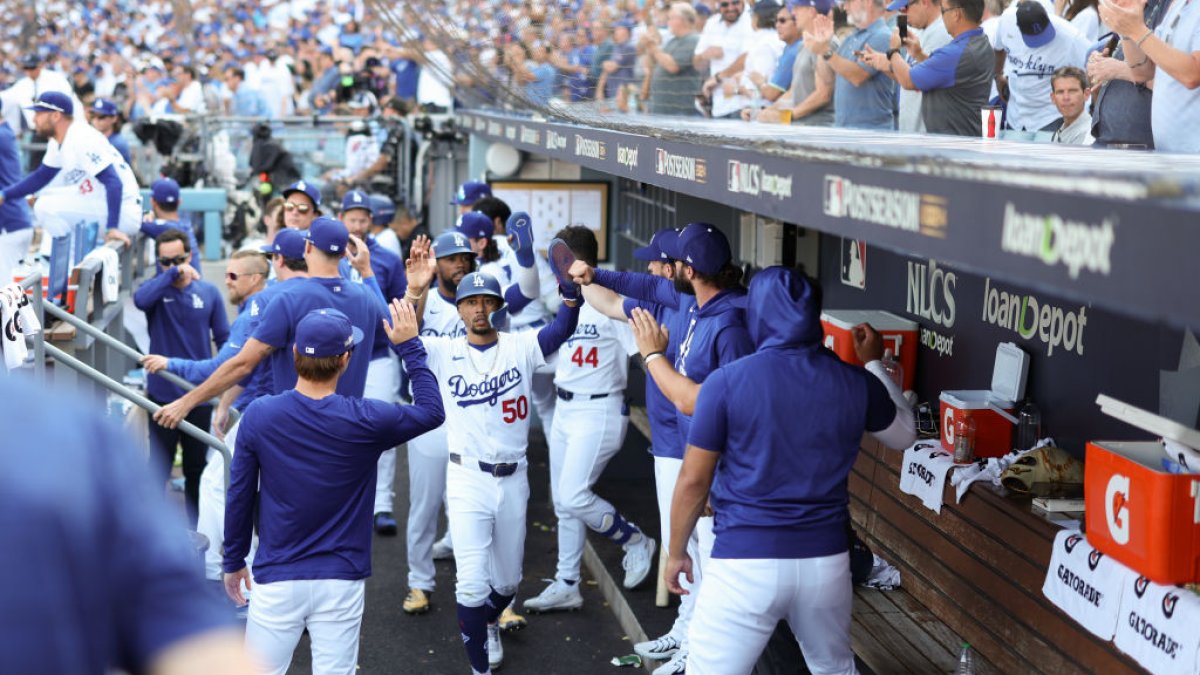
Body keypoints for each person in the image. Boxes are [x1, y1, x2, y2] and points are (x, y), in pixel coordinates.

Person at [664, 267, 916, 675]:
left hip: (745, 561)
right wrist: (873, 365)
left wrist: (676, 552)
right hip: (825, 562)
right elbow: (904, 436)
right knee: (834, 669)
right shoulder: (852, 381)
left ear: (757, 315)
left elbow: (694, 480)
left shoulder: (726, 383)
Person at [568, 223, 755, 675]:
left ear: (683, 269)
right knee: (686, 545)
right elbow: (627, 288)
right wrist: (583, 276)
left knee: (703, 550)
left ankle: (699, 645)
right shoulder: (682, 297)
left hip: (705, 454)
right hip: (674, 442)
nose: (652, 266)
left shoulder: (725, 317)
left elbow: (732, 404)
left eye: (660, 260)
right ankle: (686, 628)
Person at [223, 304, 445, 675]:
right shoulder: (367, 417)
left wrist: (233, 560)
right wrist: (410, 347)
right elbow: (432, 411)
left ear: (294, 354)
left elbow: (240, 495)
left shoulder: (259, 415)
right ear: (345, 360)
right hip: (341, 578)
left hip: (277, 575)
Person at [0, 376, 255, 675]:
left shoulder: (69, 432)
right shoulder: (70, 429)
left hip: (184, 394)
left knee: (202, 477)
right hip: (176, 395)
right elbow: (191, 636)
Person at [411, 258, 580, 674]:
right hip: (466, 476)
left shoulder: (519, 345)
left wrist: (572, 299)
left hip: (514, 477)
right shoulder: (444, 350)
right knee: (470, 582)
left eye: (488, 301)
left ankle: (490, 620)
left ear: (498, 307)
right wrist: (416, 292)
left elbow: (560, 331)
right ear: (460, 309)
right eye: (472, 302)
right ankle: (479, 668)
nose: (480, 309)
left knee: (506, 584)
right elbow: (405, 337)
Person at [524, 226, 655, 615]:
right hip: (565, 408)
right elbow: (551, 356)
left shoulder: (610, 300)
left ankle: (635, 540)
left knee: (573, 495)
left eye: (559, 261)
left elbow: (643, 353)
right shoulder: (565, 300)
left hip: (599, 409)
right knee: (564, 504)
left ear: (575, 261)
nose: (556, 270)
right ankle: (567, 583)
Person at [152, 217, 387, 431]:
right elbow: (396, 330)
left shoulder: (286, 299)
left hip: (297, 431)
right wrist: (367, 272)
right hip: (349, 429)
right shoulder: (365, 296)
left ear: (307, 248)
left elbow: (242, 365)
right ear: (345, 254)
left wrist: (186, 402)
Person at [398, 231, 474, 616]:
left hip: (470, 418)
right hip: (428, 418)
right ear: (436, 264)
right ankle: (419, 582)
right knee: (424, 507)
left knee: (473, 506)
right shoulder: (424, 301)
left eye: (464, 257)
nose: (459, 263)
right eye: (450, 258)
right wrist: (418, 285)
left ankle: (487, 591)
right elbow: (406, 323)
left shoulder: (478, 302)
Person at [134, 229, 230, 526]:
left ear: (190, 256)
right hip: (162, 396)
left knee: (195, 469)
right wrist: (171, 272)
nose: (173, 266)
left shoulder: (208, 292)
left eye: (178, 259)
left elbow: (225, 338)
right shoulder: (157, 290)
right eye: (165, 261)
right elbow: (139, 299)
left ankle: (196, 532)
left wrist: (217, 371)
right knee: (158, 471)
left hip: (198, 395)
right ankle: (151, 534)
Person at [335, 189, 409, 536]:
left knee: (382, 426)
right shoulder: (329, 255)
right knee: (337, 427)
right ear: (342, 219)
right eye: (353, 217)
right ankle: (342, 500)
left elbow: (397, 307)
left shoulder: (387, 259)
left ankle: (382, 505)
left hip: (378, 353)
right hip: (335, 357)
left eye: (364, 217)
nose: (359, 223)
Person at [0, 91, 141, 250]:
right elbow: (41, 177)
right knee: (43, 196)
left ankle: (71, 261)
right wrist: (5, 195)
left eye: (39, 114)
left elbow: (113, 182)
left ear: (55, 116)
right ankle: (67, 256)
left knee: (45, 206)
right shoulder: (60, 138)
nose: (34, 119)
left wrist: (112, 228)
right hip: (102, 204)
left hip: (122, 211)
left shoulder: (81, 137)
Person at [863, 0, 994, 135]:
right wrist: (918, 55)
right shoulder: (981, 42)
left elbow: (908, 80)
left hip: (951, 145)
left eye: (943, 11)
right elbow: (944, 74)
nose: (942, 17)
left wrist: (893, 51)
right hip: (963, 137)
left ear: (956, 14)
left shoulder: (955, 53)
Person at [1099, 0, 1200, 153]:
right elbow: (1143, 72)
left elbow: (1192, 74)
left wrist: (1136, 30)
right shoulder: (1177, 5)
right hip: (1168, 153)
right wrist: (1126, 30)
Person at [993, 1, 1091, 135]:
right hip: (1016, 116)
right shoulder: (1006, 21)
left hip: (1049, 117)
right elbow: (998, 49)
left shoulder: (1070, 36)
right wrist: (998, 76)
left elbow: (1094, 64)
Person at [1085, 0, 1168, 147]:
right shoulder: (1132, 7)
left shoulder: (1169, 9)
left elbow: (1180, 81)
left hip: (1141, 144)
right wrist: (1101, 65)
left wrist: (1118, 69)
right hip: (1109, 139)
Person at [802, 0, 897, 129]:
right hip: (847, 130)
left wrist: (825, 51)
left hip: (872, 132)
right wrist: (823, 46)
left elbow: (857, 76)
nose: (844, 7)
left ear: (868, 2)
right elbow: (828, 79)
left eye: (849, 1)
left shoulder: (883, 36)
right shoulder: (851, 37)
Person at [881, 0, 955, 133]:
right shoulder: (920, 31)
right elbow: (909, 74)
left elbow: (911, 81)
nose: (902, 13)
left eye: (905, 8)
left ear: (924, 2)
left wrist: (893, 52)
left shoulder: (941, 32)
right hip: (914, 132)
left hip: (927, 135)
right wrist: (885, 64)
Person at [2, 53, 75, 169]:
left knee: (63, 165)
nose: (29, 71)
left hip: (58, 129)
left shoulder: (56, 79)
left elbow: (70, 102)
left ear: (40, 65)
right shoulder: (23, 84)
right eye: (26, 68)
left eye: (32, 67)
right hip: (37, 131)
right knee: (35, 166)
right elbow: (5, 97)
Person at [696, 0, 755, 117]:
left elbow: (748, 57)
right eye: (725, 4)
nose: (731, 8)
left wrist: (718, 78)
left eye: (735, 3)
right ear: (718, 4)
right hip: (718, 106)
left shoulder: (751, 21)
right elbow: (697, 63)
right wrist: (705, 55)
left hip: (744, 106)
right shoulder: (711, 23)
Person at [645, 3, 706, 115]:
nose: (668, 22)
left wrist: (653, 47)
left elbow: (673, 67)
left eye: (671, 18)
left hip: (680, 111)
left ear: (682, 20)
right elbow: (658, 65)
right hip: (662, 109)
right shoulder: (673, 41)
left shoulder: (694, 39)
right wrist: (650, 49)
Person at [0, 101, 32, 286]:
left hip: (9, 227)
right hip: (15, 221)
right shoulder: (5, 131)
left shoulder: (2, 135)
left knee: (7, 296)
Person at [140, 177, 201, 269]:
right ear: (179, 202)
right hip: (192, 280)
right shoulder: (184, 220)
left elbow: (134, 221)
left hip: (183, 280)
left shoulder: (163, 227)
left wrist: (146, 214)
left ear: (153, 202)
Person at [1048, 65, 1094, 143]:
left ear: (1086, 94)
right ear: (1053, 98)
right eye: (1060, 92)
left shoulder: (1090, 134)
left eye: (1072, 91)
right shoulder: (1059, 132)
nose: (1066, 97)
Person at [86, 97, 131, 164]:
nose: (95, 121)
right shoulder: (92, 138)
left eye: (101, 117)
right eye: (93, 116)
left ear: (114, 118)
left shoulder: (118, 143)